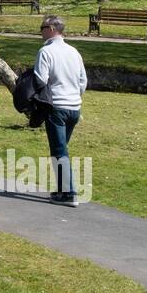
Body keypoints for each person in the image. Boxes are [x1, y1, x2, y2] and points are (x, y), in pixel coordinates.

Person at [33, 14, 88, 206]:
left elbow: (41, 79)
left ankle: (69, 193)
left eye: (43, 27)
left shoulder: (46, 51)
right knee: (61, 149)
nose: (41, 31)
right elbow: (83, 81)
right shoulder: (74, 52)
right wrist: (75, 96)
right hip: (74, 107)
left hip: (56, 106)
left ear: (52, 29)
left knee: (59, 150)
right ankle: (60, 190)